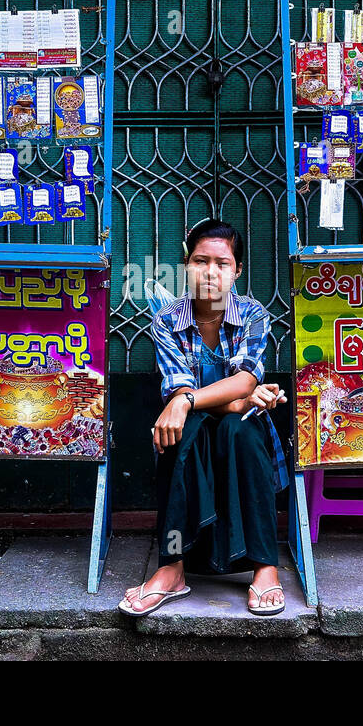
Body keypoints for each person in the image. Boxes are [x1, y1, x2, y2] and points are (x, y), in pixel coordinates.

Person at [118, 218, 290, 617]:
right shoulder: (167, 320)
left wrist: (200, 400)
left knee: (238, 430)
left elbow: (244, 380)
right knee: (184, 430)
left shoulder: (254, 315)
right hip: (193, 438)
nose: (210, 272)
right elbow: (215, 392)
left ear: (238, 270)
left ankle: (265, 567)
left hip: (240, 438)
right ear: (185, 263)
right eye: (200, 261)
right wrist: (233, 399)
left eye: (222, 263)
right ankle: (172, 564)